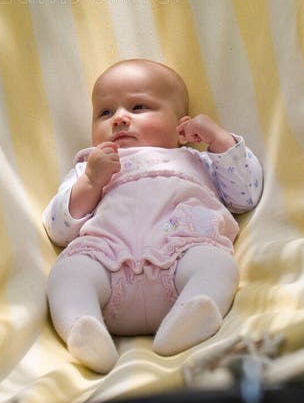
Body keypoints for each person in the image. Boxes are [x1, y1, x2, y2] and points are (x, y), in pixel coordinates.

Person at [43, 58, 263, 373]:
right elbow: (58, 229)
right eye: (105, 112)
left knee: (217, 264)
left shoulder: (199, 160)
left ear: (182, 126)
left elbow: (245, 195)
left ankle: (194, 314)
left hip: (183, 255)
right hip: (106, 264)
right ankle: (83, 328)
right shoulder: (88, 167)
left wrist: (218, 139)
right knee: (69, 273)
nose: (119, 118)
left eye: (138, 107)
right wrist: (91, 182)